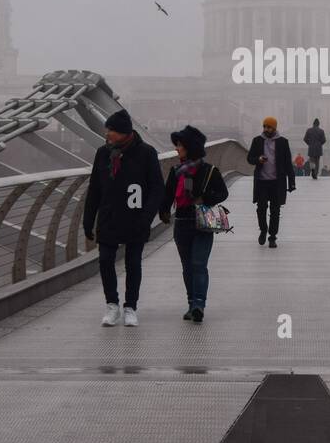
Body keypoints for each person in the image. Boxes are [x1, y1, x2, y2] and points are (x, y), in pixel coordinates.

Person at [83, 109, 164, 327]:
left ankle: (130, 307)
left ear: (124, 132)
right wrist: (88, 220)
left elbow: (157, 188)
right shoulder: (102, 153)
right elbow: (95, 189)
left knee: (133, 263)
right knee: (105, 260)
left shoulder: (146, 153)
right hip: (108, 217)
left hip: (136, 219)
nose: (107, 134)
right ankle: (112, 305)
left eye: (111, 130)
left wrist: (147, 217)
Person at [158, 125, 228, 323]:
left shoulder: (209, 171)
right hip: (181, 223)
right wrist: (162, 211)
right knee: (187, 266)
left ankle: (199, 304)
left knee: (198, 264)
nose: (177, 149)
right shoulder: (176, 171)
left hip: (202, 223)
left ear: (190, 147)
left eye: (180, 145)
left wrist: (204, 197)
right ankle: (191, 303)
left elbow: (223, 193)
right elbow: (168, 194)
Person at [247, 115, 295, 248]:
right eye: (264, 126)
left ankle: (272, 236)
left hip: (277, 182)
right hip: (262, 181)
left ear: (274, 128)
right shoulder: (257, 141)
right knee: (261, 208)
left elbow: (287, 163)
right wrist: (258, 159)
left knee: (275, 210)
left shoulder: (283, 142)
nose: (266, 129)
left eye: (269, 127)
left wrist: (291, 181)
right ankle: (263, 230)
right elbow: (250, 158)